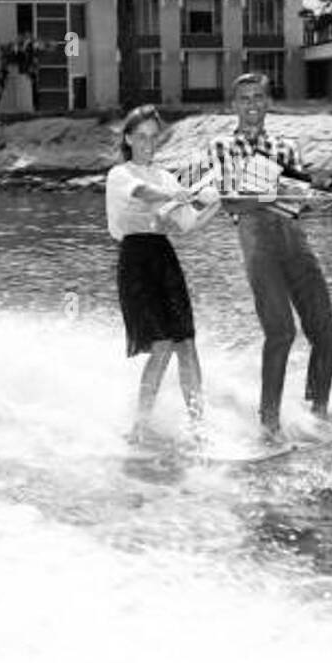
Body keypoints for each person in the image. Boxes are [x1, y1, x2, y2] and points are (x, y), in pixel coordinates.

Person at [185, 73, 332, 436]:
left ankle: (318, 412)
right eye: (244, 98)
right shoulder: (219, 148)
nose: (251, 104)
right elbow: (210, 195)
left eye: (258, 97)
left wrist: (312, 199)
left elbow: (297, 200)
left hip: (295, 241)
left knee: (326, 330)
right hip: (258, 246)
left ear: (268, 102)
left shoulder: (286, 146)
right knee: (281, 332)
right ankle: (269, 421)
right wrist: (266, 193)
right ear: (233, 105)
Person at [106, 104, 221, 430]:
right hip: (135, 259)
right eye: (140, 137)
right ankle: (139, 427)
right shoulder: (121, 174)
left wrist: (216, 203)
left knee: (185, 342)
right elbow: (143, 193)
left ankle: (200, 429)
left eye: (153, 137)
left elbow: (189, 224)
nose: (147, 143)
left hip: (164, 258)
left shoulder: (166, 176)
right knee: (161, 343)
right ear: (128, 138)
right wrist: (178, 193)